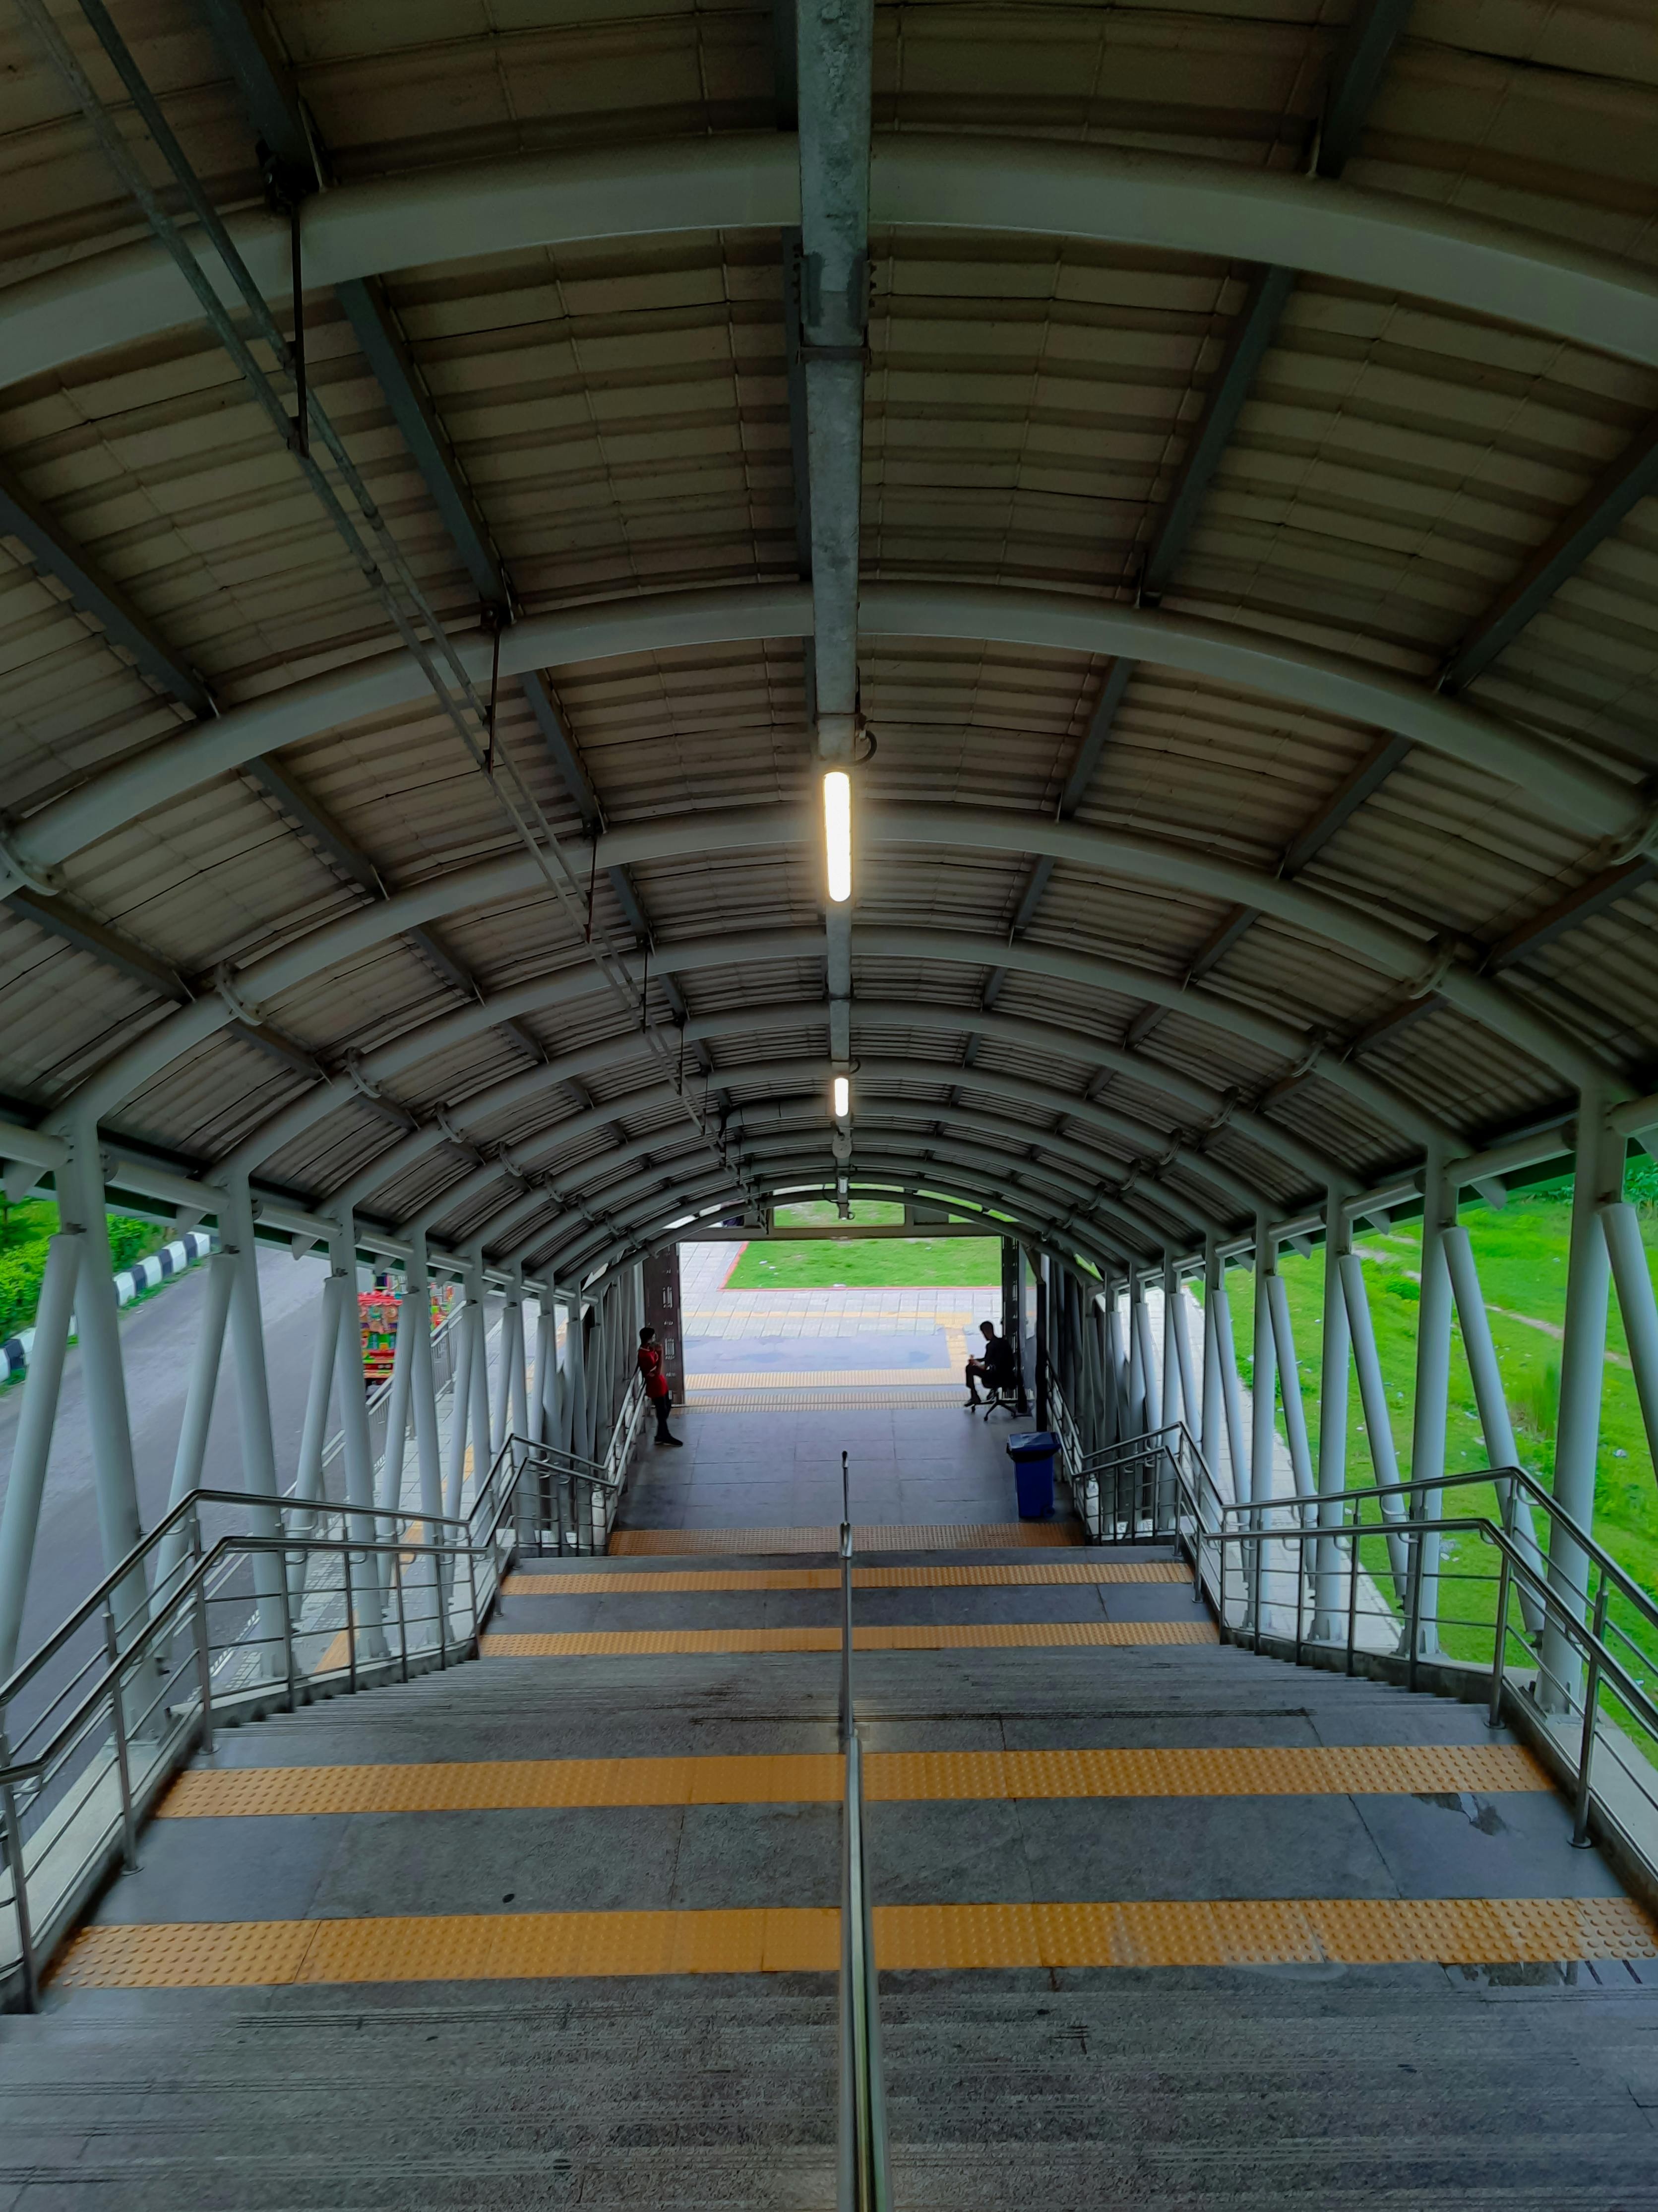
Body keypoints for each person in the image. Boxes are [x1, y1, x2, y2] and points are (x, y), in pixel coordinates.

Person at [638, 1325, 682, 1445]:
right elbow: (657, 1372)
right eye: (652, 1337)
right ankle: (664, 1434)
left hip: (661, 1384)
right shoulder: (645, 1356)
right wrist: (660, 1353)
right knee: (661, 1411)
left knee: (667, 1405)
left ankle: (661, 1434)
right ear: (649, 1339)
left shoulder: (649, 1350)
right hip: (655, 1386)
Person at [964, 1319, 1015, 1407]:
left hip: (995, 1377)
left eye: (983, 1333)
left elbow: (984, 1367)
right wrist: (978, 1360)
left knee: (970, 1369)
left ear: (987, 1332)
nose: (984, 1336)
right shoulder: (1004, 1342)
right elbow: (991, 1359)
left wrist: (974, 1362)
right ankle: (989, 1393)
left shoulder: (990, 1346)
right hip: (1008, 1376)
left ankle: (974, 1396)